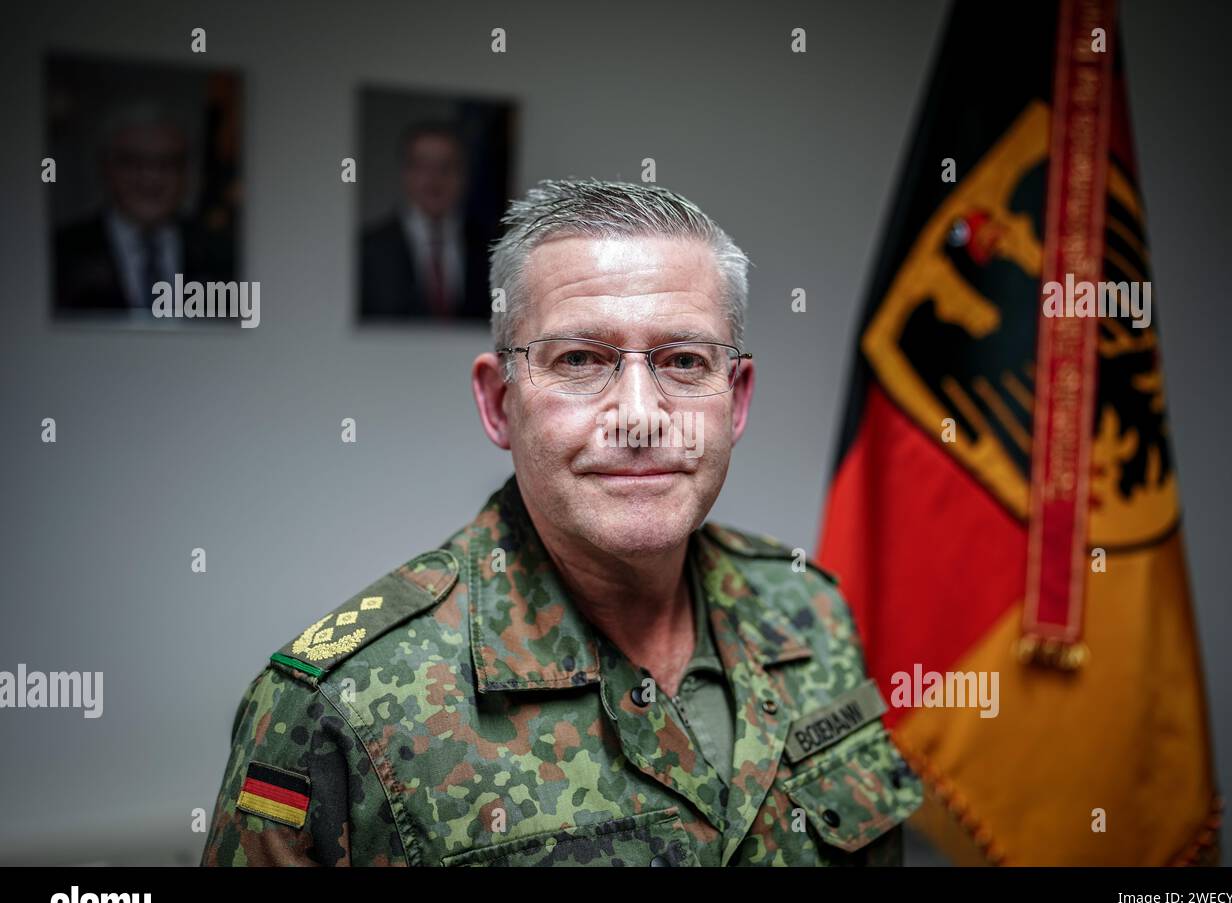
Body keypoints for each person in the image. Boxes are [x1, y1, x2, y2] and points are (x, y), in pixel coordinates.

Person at [202, 178, 920, 866]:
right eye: (579, 359)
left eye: (683, 360)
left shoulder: (810, 612)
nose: (640, 418)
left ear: (734, 402)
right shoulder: (339, 709)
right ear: (498, 403)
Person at [52, 103, 234, 313]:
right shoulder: (61, 253)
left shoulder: (224, 254)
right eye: (132, 162)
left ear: (186, 173)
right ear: (105, 167)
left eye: (167, 163)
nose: (150, 178)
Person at [359, 122, 492, 319]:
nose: (434, 178)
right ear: (406, 173)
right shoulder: (369, 248)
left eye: (447, 166)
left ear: (464, 175)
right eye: (423, 166)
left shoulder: (490, 246)